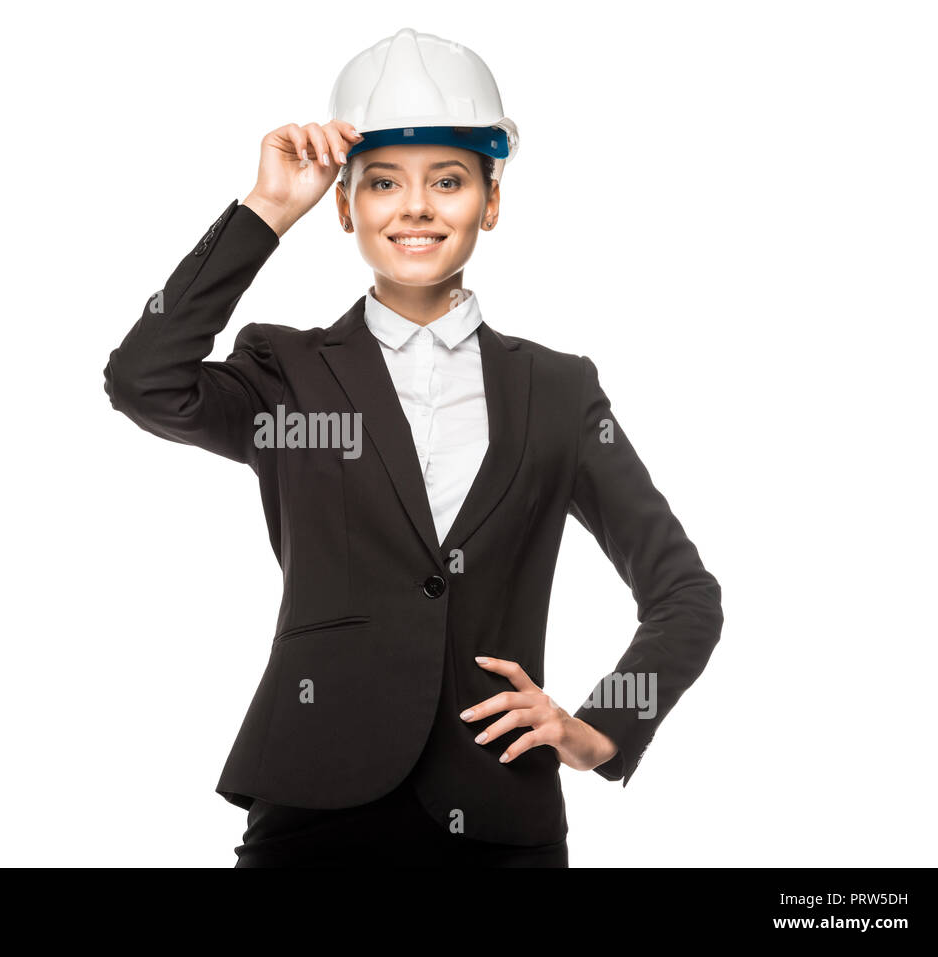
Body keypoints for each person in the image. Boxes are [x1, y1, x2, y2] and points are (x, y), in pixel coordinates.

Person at [104, 28, 723, 867]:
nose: (417, 207)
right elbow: (144, 380)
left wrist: (603, 727)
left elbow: (685, 592)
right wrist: (264, 212)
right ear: (346, 205)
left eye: (449, 180)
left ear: (491, 202)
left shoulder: (560, 390)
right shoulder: (284, 370)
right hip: (311, 811)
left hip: (502, 816)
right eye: (384, 182)